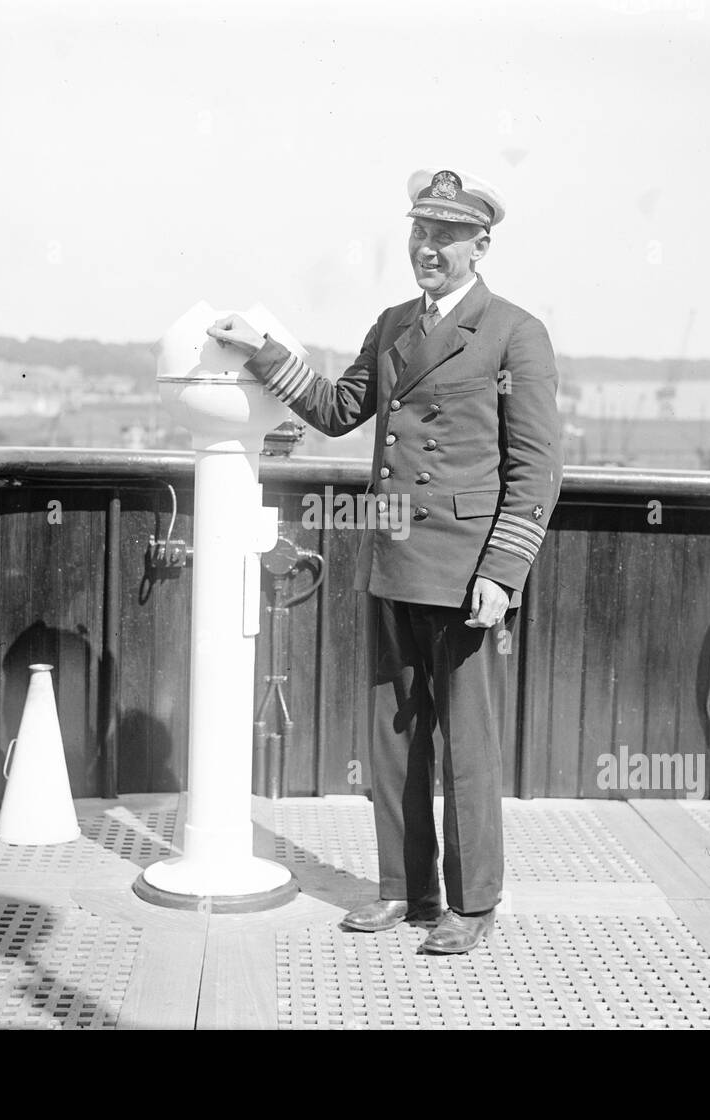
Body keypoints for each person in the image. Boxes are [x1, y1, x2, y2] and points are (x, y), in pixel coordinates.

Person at [209, 168, 563, 953]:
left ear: (481, 244)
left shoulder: (515, 332)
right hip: (396, 562)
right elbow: (339, 411)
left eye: (445, 235)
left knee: (466, 746)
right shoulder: (394, 322)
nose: (427, 247)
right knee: (394, 738)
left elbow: (537, 469)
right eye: (419, 231)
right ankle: (406, 892)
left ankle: (474, 905)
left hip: (468, 573)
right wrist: (264, 351)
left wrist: (502, 576)